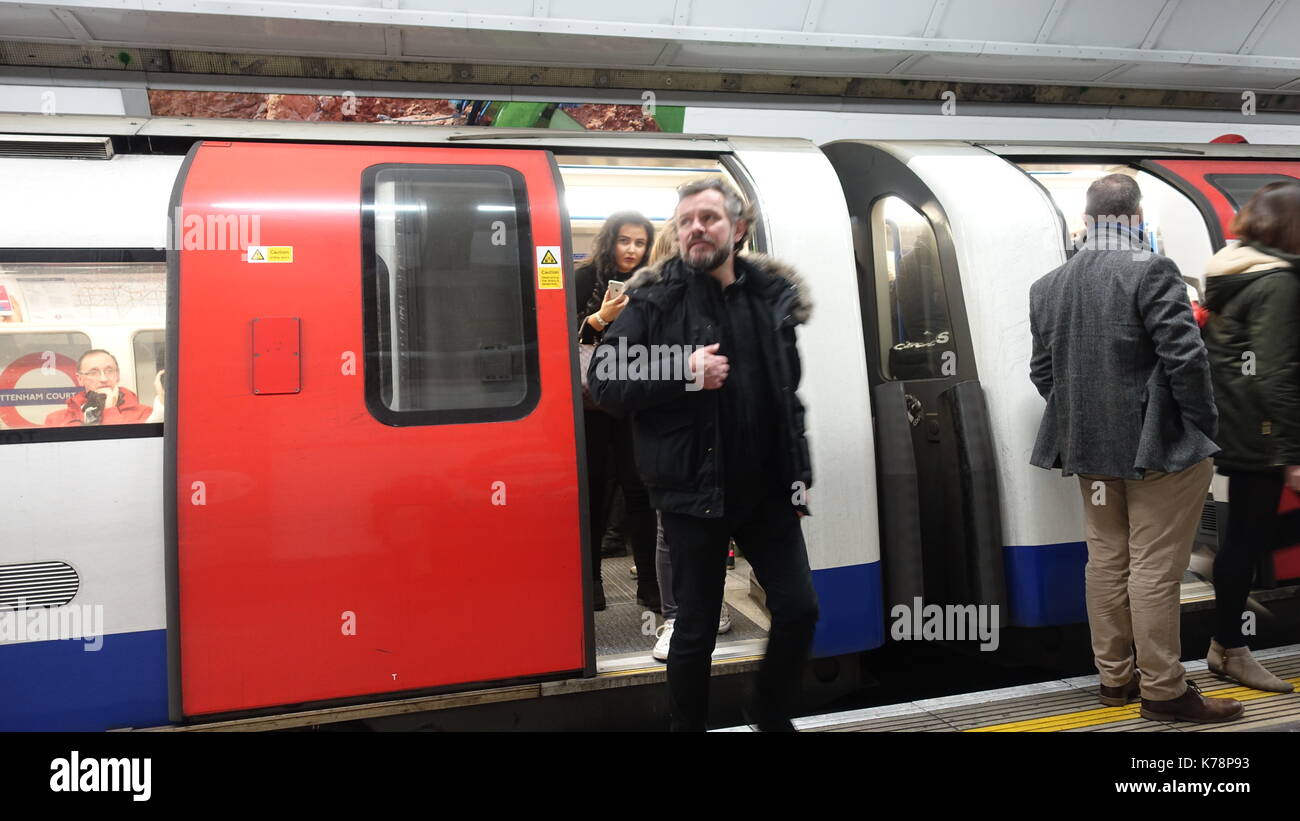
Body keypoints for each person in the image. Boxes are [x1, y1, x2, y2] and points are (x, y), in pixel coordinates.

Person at [589, 178, 818, 731]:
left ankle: (768, 712)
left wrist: (798, 472)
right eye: (686, 219)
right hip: (693, 493)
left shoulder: (769, 296)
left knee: (799, 610)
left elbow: (786, 397)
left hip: (767, 492)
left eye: (710, 218)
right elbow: (604, 379)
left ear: (737, 230)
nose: (696, 227)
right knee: (694, 630)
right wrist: (681, 371)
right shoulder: (655, 297)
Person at [1029, 173, 1243, 723]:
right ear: (1135, 216)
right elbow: (1186, 358)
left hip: (1091, 457)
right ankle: (1166, 691)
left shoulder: (1048, 284)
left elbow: (1043, 373)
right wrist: (1199, 422)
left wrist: (1084, 417)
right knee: (1153, 567)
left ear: (1088, 219)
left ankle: (1115, 680)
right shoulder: (1152, 269)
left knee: (1104, 561)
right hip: (1157, 455)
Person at [1201, 180, 1300, 693]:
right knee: (1246, 540)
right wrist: (1291, 451)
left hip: (1242, 428)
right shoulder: (1277, 282)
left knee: (1246, 537)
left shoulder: (1238, 273)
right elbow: (1276, 372)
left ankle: (1227, 647)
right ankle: (1229, 649)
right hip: (1263, 433)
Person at [643, 218, 733, 663]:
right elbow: (615, 378)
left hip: (724, 434)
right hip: (676, 438)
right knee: (673, 528)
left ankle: (702, 610)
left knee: (716, 524)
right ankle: (677, 616)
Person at [575, 211, 660, 612]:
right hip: (590, 404)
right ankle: (591, 584)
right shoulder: (581, 278)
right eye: (625, 240)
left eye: (640, 243)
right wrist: (599, 318)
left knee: (641, 493)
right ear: (610, 241)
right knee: (593, 492)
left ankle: (650, 583)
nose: (632, 249)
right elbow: (559, 336)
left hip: (634, 402)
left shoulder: (654, 284)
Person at [44, 349, 154, 426]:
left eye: (109, 371)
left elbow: (120, 448)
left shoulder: (145, 414)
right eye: (93, 372)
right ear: (80, 379)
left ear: (118, 375)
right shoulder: (55, 420)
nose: (103, 378)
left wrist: (109, 410)